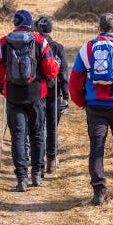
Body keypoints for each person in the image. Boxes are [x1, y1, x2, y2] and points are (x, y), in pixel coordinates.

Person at [69, 13, 113, 206]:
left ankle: (99, 191)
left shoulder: (86, 48)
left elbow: (75, 79)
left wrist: (82, 101)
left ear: (98, 28)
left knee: (96, 148)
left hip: (95, 106)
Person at [0, 9, 59, 192]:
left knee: (18, 137)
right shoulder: (39, 41)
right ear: (30, 24)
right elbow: (51, 71)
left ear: (15, 23)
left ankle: (21, 178)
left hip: (13, 96)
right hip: (36, 95)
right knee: (37, 134)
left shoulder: (4, 42)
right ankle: (37, 174)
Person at [34, 16, 70, 174]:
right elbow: (63, 74)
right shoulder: (58, 47)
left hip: (36, 92)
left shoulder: (33, 45)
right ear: (50, 29)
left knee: (38, 127)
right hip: (53, 92)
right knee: (51, 128)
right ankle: (51, 159)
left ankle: (39, 160)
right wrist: (66, 95)